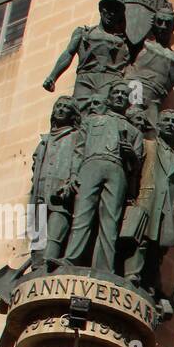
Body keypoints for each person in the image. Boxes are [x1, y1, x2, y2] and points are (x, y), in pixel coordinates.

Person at [65, 82, 144, 274]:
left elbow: (138, 162)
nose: (119, 96)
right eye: (116, 93)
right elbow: (78, 150)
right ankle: (71, 259)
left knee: (110, 220)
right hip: (91, 166)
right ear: (109, 98)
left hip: (117, 170)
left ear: (128, 102)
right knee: (83, 214)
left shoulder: (134, 131)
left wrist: (131, 154)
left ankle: (104, 267)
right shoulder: (91, 121)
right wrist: (74, 173)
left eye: (123, 95)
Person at [123, 110, 174, 306]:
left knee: (156, 248)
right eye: (165, 121)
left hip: (165, 208)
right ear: (157, 126)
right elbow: (134, 172)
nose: (169, 124)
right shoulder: (147, 146)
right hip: (146, 199)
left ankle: (149, 283)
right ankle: (131, 274)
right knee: (139, 241)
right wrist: (131, 197)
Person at [42, 0, 131, 110]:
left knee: (106, 113)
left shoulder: (123, 42)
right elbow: (68, 54)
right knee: (79, 113)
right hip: (86, 79)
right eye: (107, 9)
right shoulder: (83, 33)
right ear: (100, 9)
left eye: (116, 11)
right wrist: (52, 77)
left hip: (110, 81)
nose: (111, 14)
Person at [27, 96, 81, 269]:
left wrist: (71, 181)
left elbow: (78, 161)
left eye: (66, 107)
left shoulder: (76, 137)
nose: (61, 109)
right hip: (40, 192)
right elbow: (36, 163)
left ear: (72, 114)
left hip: (60, 193)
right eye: (58, 106)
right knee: (38, 237)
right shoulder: (45, 140)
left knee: (55, 234)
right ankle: (37, 265)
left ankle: (49, 265)